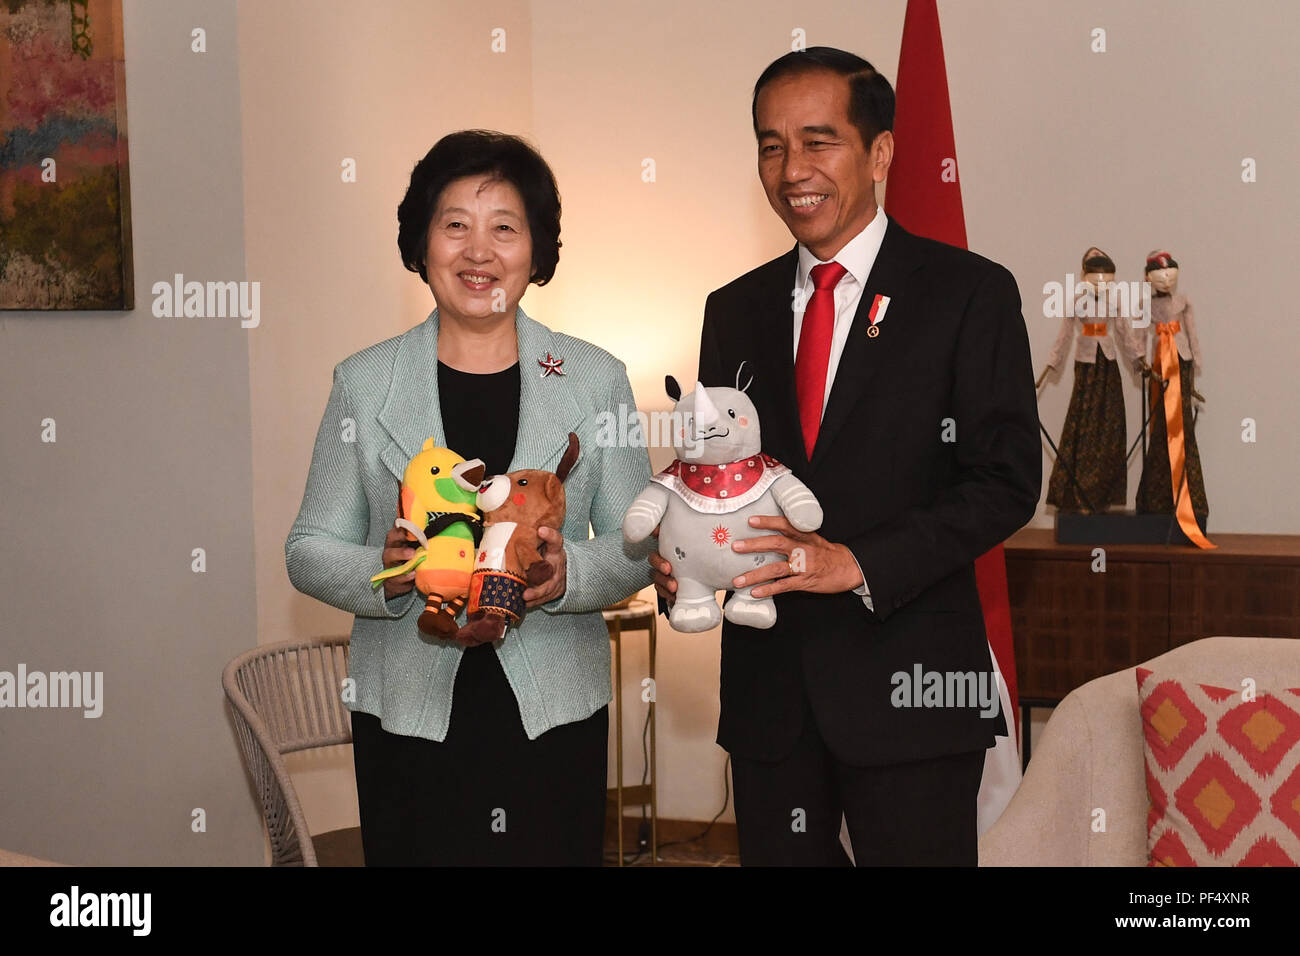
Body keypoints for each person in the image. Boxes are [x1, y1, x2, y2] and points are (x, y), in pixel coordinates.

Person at [651, 48, 1040, 865]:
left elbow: (1004, 482)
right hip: (770, 701)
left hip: (914, 690)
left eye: (818, 141)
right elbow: (720, 473)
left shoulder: (969, 293)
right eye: (770, 145)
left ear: (881, 152)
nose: (792, 169)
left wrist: (855, 562)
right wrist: (684, 551)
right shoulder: (734, 309)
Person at [286, 129, 652, 866]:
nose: (478, 252)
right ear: (421, 244)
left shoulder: (593, 378)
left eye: (504, 229)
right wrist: (385, 572)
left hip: (551, 713)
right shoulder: (364, 381)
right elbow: (308, 547)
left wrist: (566, 575)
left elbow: (637, 540)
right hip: (410, 714)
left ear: (536, 252)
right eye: (455, 225)